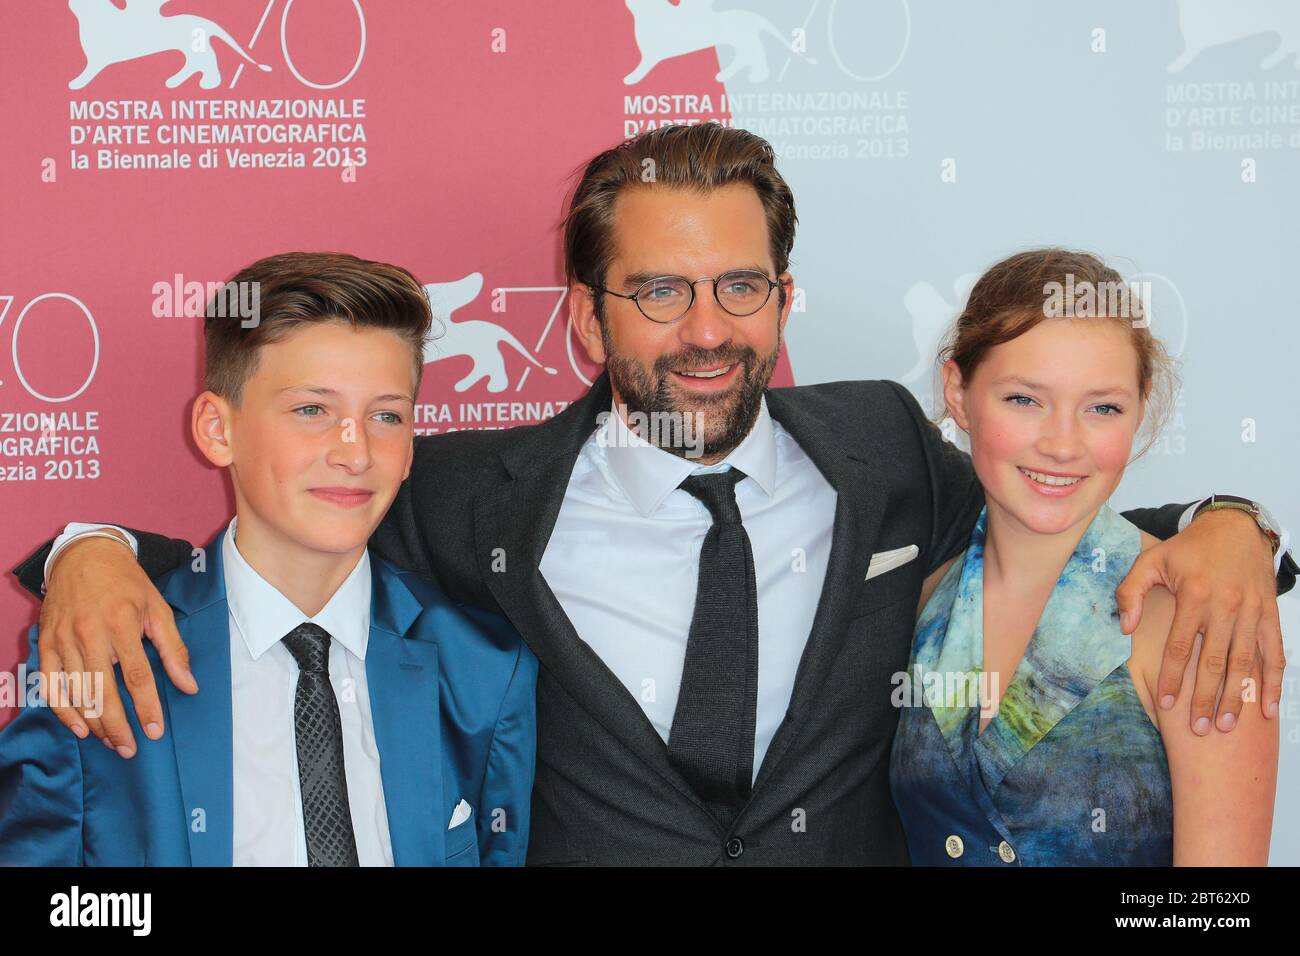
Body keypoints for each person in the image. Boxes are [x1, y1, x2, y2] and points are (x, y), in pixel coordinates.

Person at [12, 126, 1293, 866]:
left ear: (786, 300)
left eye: (741, 286)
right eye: (657, 290)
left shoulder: (885, 448)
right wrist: (87, 546)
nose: (705, 328)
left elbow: (1052, 497)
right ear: (583, 314)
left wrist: (1233, 526)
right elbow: (283, 524)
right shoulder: (459, 492)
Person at [0, 252, 537, 866]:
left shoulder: (484, 669)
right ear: (217, 429)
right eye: (312, 410)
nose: (354, 450)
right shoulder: (106, 650)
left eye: (386, 415)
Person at [890, 249, 1279, 865]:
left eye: (1103, 408)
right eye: (1024, 399)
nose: (1063, 444)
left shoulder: (1201, 619)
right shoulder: (922, 599)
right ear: (959, 393)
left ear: (1140, 410)